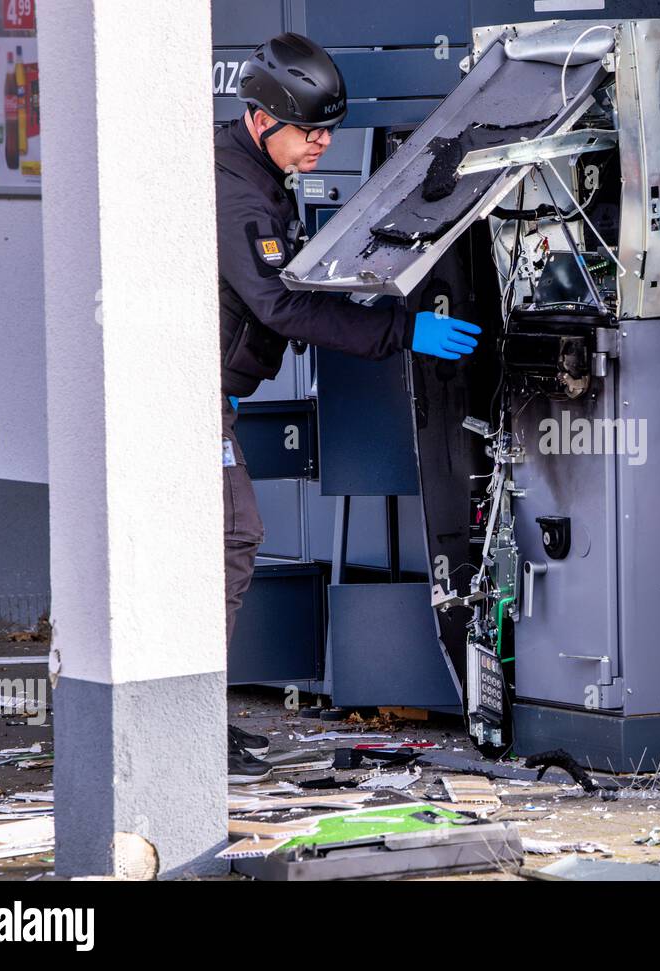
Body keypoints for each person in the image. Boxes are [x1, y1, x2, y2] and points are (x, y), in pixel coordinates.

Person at [217, 33, 482, 782]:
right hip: (187, 397)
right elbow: (277, 305)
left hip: (216, 394)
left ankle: (193, 717)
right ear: (264, 120)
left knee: (221, 540)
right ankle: (185, 720)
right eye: (313, 132)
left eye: (332, 129)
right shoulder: (235, 187)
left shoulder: (255, 170)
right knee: (235, 537)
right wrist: (402, 328)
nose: (324, 145)